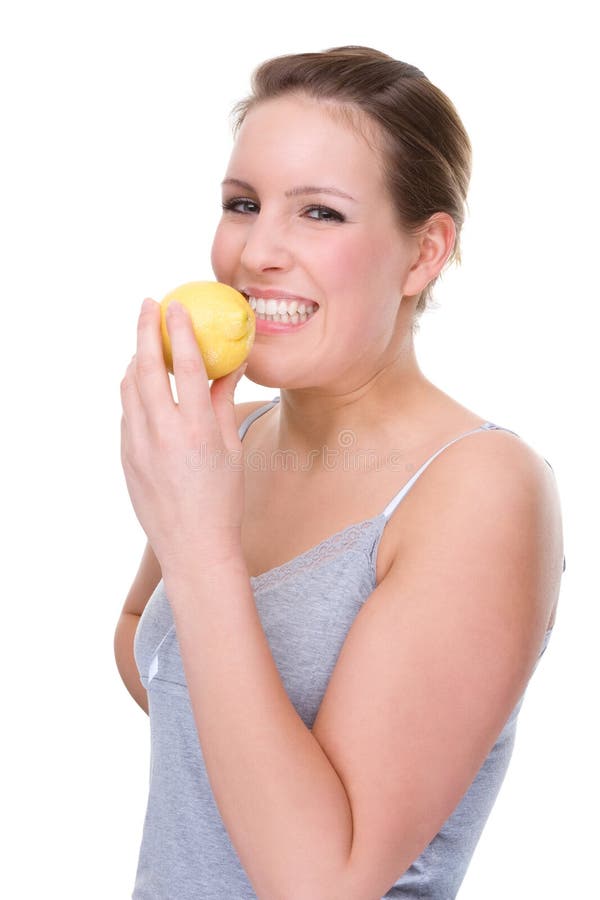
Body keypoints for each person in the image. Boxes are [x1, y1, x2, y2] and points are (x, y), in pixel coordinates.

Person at [114, 46, 565, 899]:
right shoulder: (230, 442)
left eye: (319, 213)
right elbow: (150, 642)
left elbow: (323, 883)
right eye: (243, 204)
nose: (258, 252)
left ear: (424, 254)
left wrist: (202, 549)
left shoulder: (482, 489)